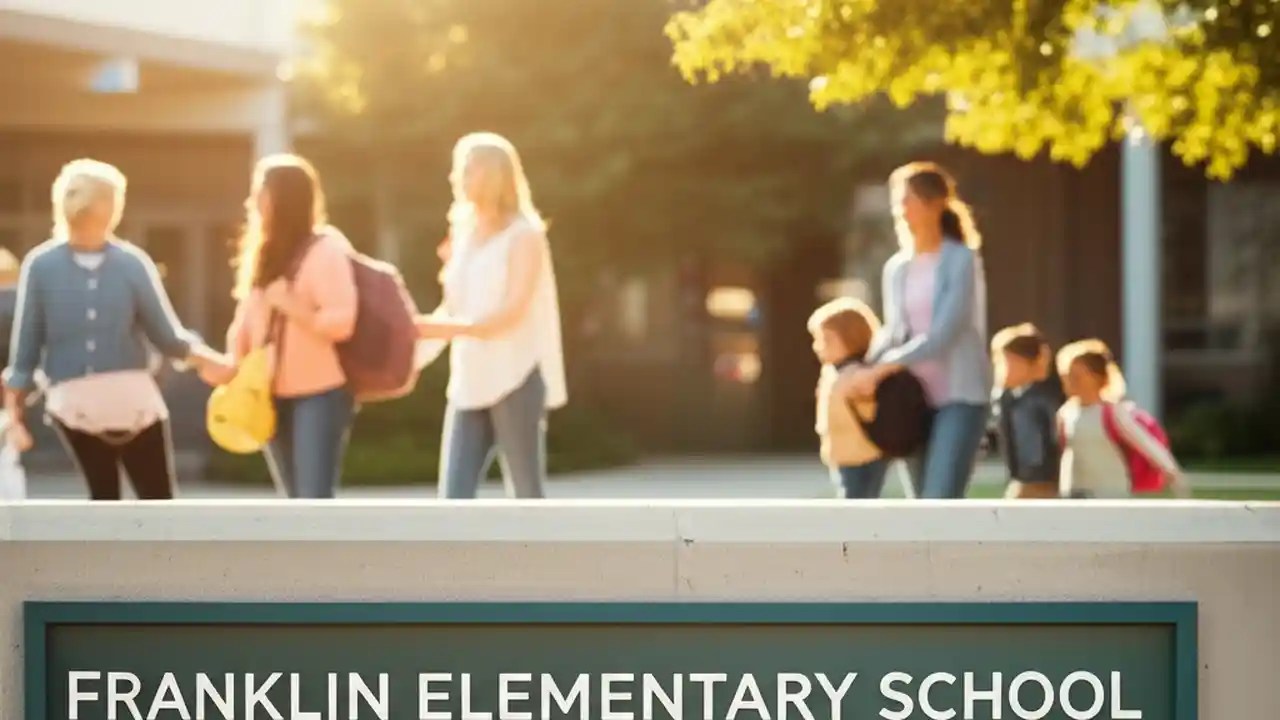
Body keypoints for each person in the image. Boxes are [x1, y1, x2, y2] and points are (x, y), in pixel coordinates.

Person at [2, 159, 233, 500]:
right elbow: (167, 337)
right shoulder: (131, 262)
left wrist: (15, 413)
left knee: (104, 499)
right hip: (130, 400)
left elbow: (25, 355)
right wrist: (214, 362)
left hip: (73, 401)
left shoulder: (41, 264)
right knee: (158, 501)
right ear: (110, 207)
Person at [417, 132, 567, 499]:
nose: (458, 177)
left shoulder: (525, 237)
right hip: (468, 383)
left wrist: (445, 329)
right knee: (453, 499)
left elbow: (512, 312)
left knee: (527, 497)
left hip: (515, 379)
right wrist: (415, 346)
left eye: (469, 169)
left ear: (493, 175)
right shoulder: (462, 235)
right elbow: (453, 306)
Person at [210, 154, 359, 499]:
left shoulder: (326, 250)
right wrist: (231, 365)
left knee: (313, 498)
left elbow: (342, 321)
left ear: (284, 198)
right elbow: (246, 321)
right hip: (269, 391)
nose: (253, 202)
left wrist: (292, 306)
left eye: (261, 193)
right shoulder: (263, 251)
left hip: (320, 392)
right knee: (292, 499)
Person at [851, 162, 992, 499]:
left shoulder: (961, 260)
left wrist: (884, 367)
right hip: (913, 401)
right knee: (919, 508)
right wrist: (862, 368)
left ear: (935, 203)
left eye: (907, 199)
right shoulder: (897, 267)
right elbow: (895, 330)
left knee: (940, 499)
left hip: (959, 397)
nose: (900, 209)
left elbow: (944, 333)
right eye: (898, 201)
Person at [1056, 339, 1189, 499]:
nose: (1070, 382)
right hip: (1074, 492)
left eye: (1078, 376)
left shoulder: (1112, 412)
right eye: (1068, 376)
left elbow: (1144, 442)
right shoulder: (1064, 413)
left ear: (1098, 378)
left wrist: (1171, 471)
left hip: (1110, 492)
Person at [809, 298, 887, 499]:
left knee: (856, 502)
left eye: (827, 340)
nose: (818, 347)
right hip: (842, 455)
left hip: (862, 457)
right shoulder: (831, 372)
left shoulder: (858, 375)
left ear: (851, 338)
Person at [991, 323, 1063, 499]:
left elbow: (1047, 444)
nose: (999, 370)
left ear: (1029, 364)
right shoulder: (1010, 399)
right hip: (1023, 480)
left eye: (1006, 362)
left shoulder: (1040, 400)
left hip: (1039, 483)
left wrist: (1038, 479)